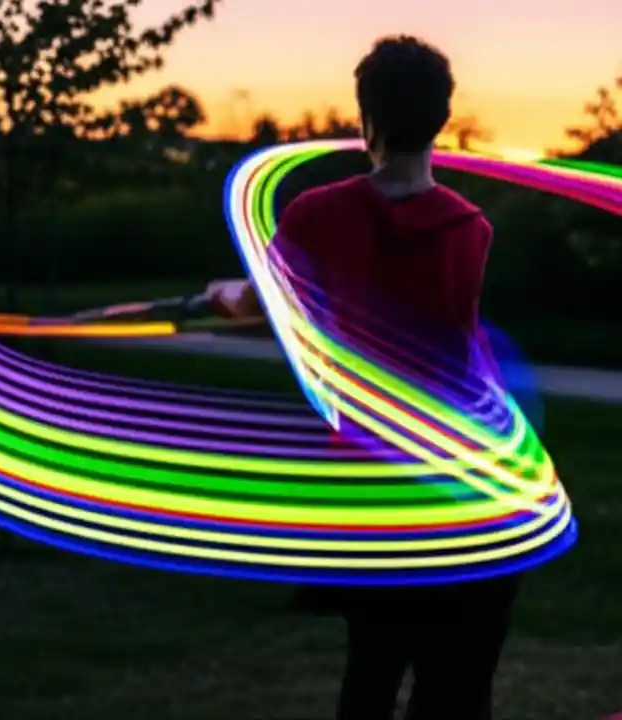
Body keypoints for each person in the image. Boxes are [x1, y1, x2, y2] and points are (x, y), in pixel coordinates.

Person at [208, 35, 518, 720]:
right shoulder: (472, 228)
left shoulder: (316, 214)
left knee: (372, 675)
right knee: (457, 689)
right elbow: (457, 345)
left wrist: (225, 292)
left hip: (374, 489)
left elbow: (264, 306)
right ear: (441, 119)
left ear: (365, 117)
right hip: (463, 480)